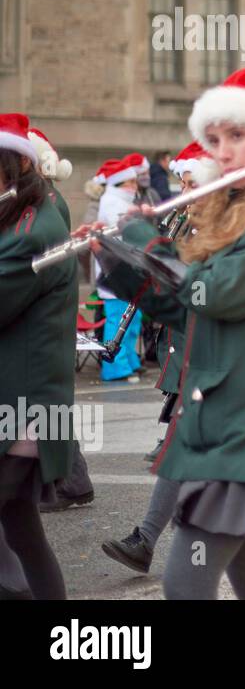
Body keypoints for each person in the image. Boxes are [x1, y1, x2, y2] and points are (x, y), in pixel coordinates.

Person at [88, 68, 245, 599]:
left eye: (237, 136)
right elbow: (187, 309)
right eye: (214, 140)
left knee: (184, 583)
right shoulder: (235, 215)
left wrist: (149, 242)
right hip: (216, 417)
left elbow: (213, 294)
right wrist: (121, 261)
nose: (223, 152)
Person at [101, 142, 221, 576]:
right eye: (183, 184)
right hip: (190, 353)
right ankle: (150, 541)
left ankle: (162, 544)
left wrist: (151, 246)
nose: (183, 191)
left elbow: (197, 293)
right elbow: (173, 299)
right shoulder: (189, 224)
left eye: (192, 185)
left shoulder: (220, 231)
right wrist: (117, 262)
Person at [0, 113, 77, 600]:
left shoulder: (33, 230)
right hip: (24, 401)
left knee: (19, 526)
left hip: (24, 406)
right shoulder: (31, 211)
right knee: (22, 526)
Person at [94, 156, 145, 383]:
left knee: (131, 319)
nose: (134, 186)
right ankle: (115, 367)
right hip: (116, 271)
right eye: (130, 182)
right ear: (120, 183)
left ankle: (129, 361)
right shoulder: (113, 202)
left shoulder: (120, 202)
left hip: (127, 270)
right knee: (119, 320)